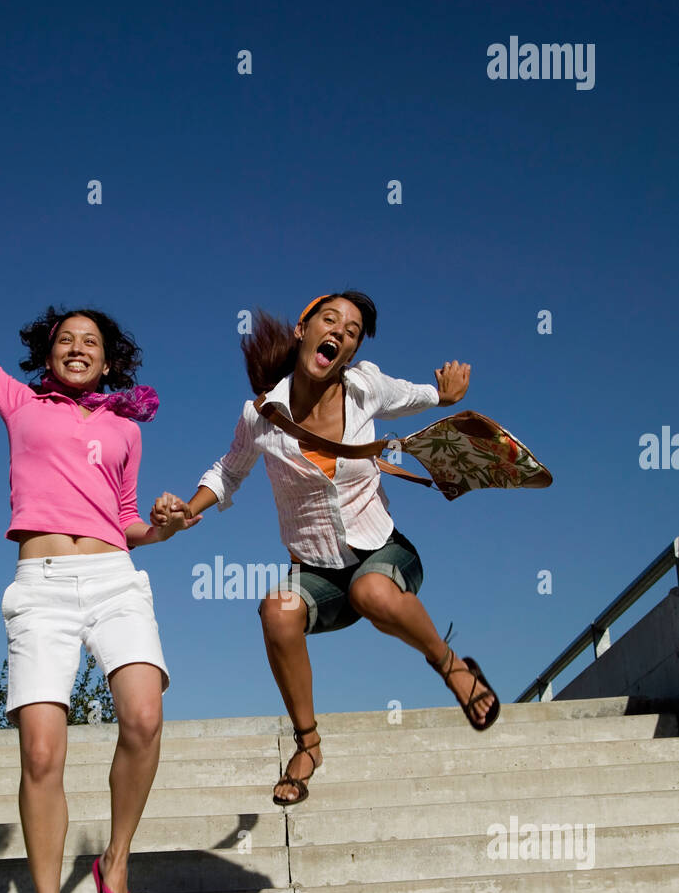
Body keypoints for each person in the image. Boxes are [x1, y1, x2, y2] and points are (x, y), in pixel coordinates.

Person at [0, 251, 197, 893]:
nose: (76, 347)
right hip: (41, 587)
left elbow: (125, 521)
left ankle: (115, 858)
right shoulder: (22, 406)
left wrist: (167, 527)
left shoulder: (125, 431)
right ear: (47, 357)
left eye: (89, 340)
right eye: (63, 341)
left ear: (109, 359)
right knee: (42, 755)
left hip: (114, 578)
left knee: (144, 718)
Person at [151, 291, 499, 806]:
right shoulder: (261, 416)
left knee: (373, 592)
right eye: (330, 320)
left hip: (383, 550)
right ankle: (308, 745)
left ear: (352, 351)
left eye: (353, 331)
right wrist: (190, 507)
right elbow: (229, 470)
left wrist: (444, 396)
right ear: (303, 330)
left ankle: (452, 667)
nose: (340, 332)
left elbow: (414, 396)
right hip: (318, 570)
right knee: (276, 610)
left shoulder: (365, 389)